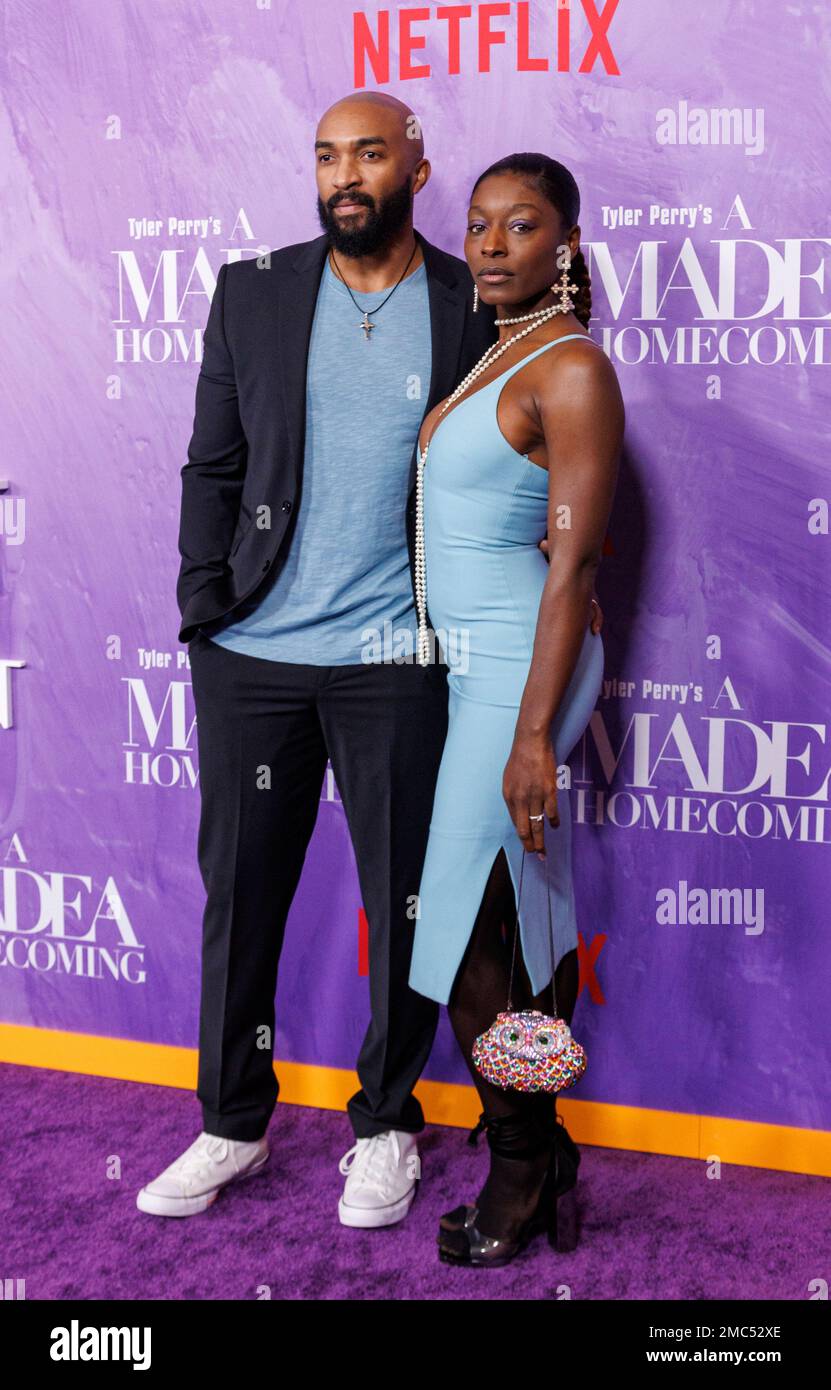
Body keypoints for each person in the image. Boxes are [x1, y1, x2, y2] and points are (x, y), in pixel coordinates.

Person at [136, 94, 602, 1229]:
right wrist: (206, 606)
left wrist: (573, 677)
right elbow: (214, 464)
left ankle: (391, 1123)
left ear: (416, 169)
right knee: (243, 895)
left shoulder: (472, 300)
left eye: (371, 154)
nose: (346, 176)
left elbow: (557, 500)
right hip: (252, 653)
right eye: (327, 156)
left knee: (420, 904)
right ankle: (230, 1122)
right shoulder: (253, 290)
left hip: (404, 657)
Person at [408, 153, 624, 1266]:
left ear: (565, 246)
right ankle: (543, 1150)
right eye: (480, 225)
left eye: (520, 226)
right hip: (480, 670)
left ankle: (522, 1165)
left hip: (520, 674)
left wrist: (535, 731)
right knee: (510, 921)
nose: (491, 245)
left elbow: (576, 562)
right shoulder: (504, 354)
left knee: (470, 934)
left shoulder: (572, 369)